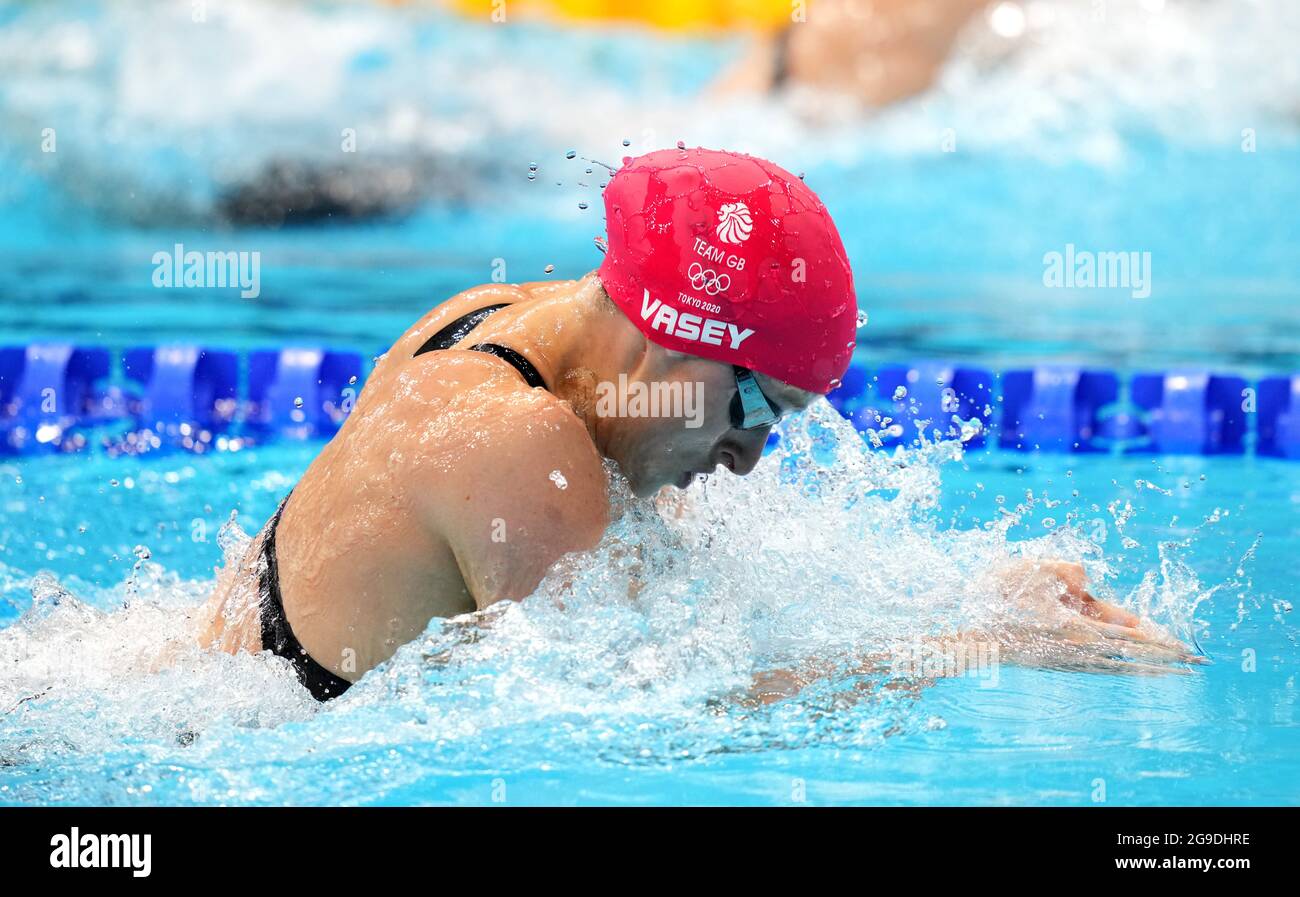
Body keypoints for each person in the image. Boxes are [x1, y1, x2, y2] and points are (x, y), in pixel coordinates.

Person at [199, 146, 1190, 702]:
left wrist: (982, 589)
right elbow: (674, 723)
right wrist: (984, 641)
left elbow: (671, 617)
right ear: (674, 346)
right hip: (201, 747)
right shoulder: (509, 441)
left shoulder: (496, 322)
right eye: (757, 402)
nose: (749, 457)